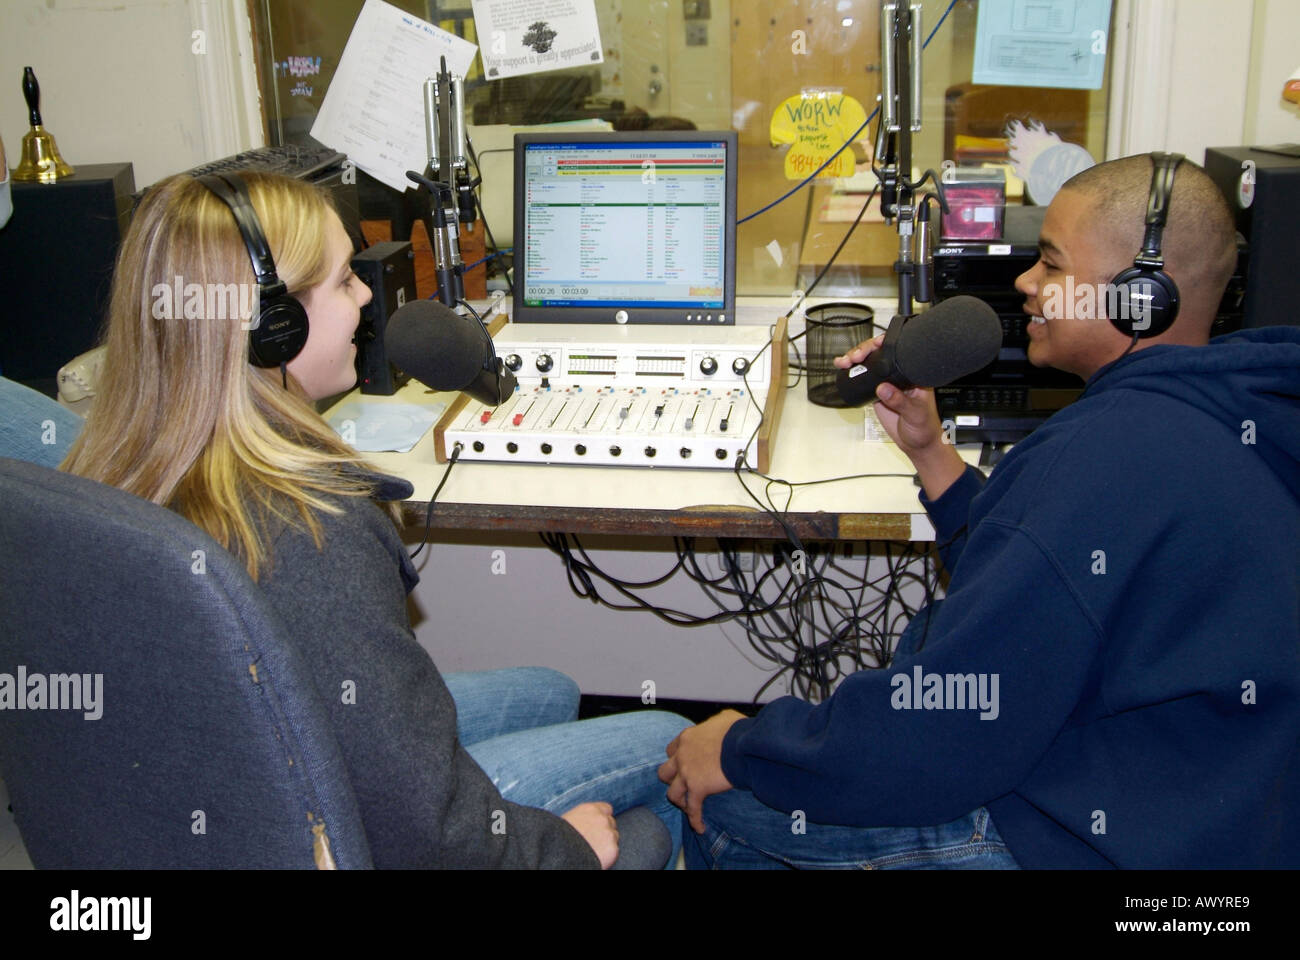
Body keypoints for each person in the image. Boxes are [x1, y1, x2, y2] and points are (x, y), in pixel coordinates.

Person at [658, 153, 1300, 869]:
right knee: (929, 641)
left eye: (1051, 267)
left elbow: (941, 734)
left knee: (729, 804)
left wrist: (743, 748)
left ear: (1139, 297)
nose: (1026, 283)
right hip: (1219, 812)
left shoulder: (1101, 454)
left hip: (1112, 850)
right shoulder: (1239, 406)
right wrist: (934, 458)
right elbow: (1045, 580)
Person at [59, 171, 689, 868]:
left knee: (550, 691)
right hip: (341, 835)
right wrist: (566, 847)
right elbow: (428, 833)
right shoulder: (310, 529)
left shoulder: (106, 473)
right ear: (275, 326)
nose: (367, 296)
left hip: (210, 799)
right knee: (668, 742)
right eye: (343, 282)